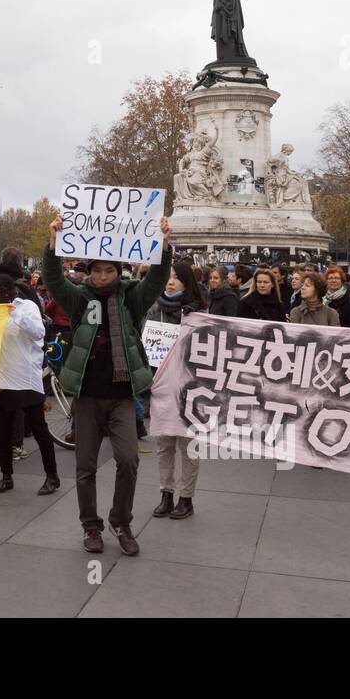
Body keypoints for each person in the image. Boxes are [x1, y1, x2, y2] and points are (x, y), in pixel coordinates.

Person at [43, 214, 171, 557]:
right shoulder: (78, 298)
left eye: (109, 271)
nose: (102, 276)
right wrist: (53, 244)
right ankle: (91, 527)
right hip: (87, 397)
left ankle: (121, 521)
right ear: (89, 272)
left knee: (128, 461)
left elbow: (157, 280)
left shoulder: (132, 298)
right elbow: (53, 280)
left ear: (119, 272)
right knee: (85, 467)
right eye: (97, 271)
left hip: (122, 397)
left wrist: (163, 245)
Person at [0, 274, 61, 496]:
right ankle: (6, 476)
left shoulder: (26, 307)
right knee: (4, 431)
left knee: (38, 428)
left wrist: (14, 313)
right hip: (3, 378)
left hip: (25, 378)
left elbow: (38, 332)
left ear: (3, 292)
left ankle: (52, 476)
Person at [151, 261, 206, 520]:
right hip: (162, 385)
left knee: (188, 446)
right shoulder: (155, 309)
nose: (170, 282)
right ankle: (166, 494)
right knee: (164, 445)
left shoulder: (199, 314)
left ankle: (186, 498)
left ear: (187, 281)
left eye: (176, 277)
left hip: (190, 387)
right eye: (168, 277)